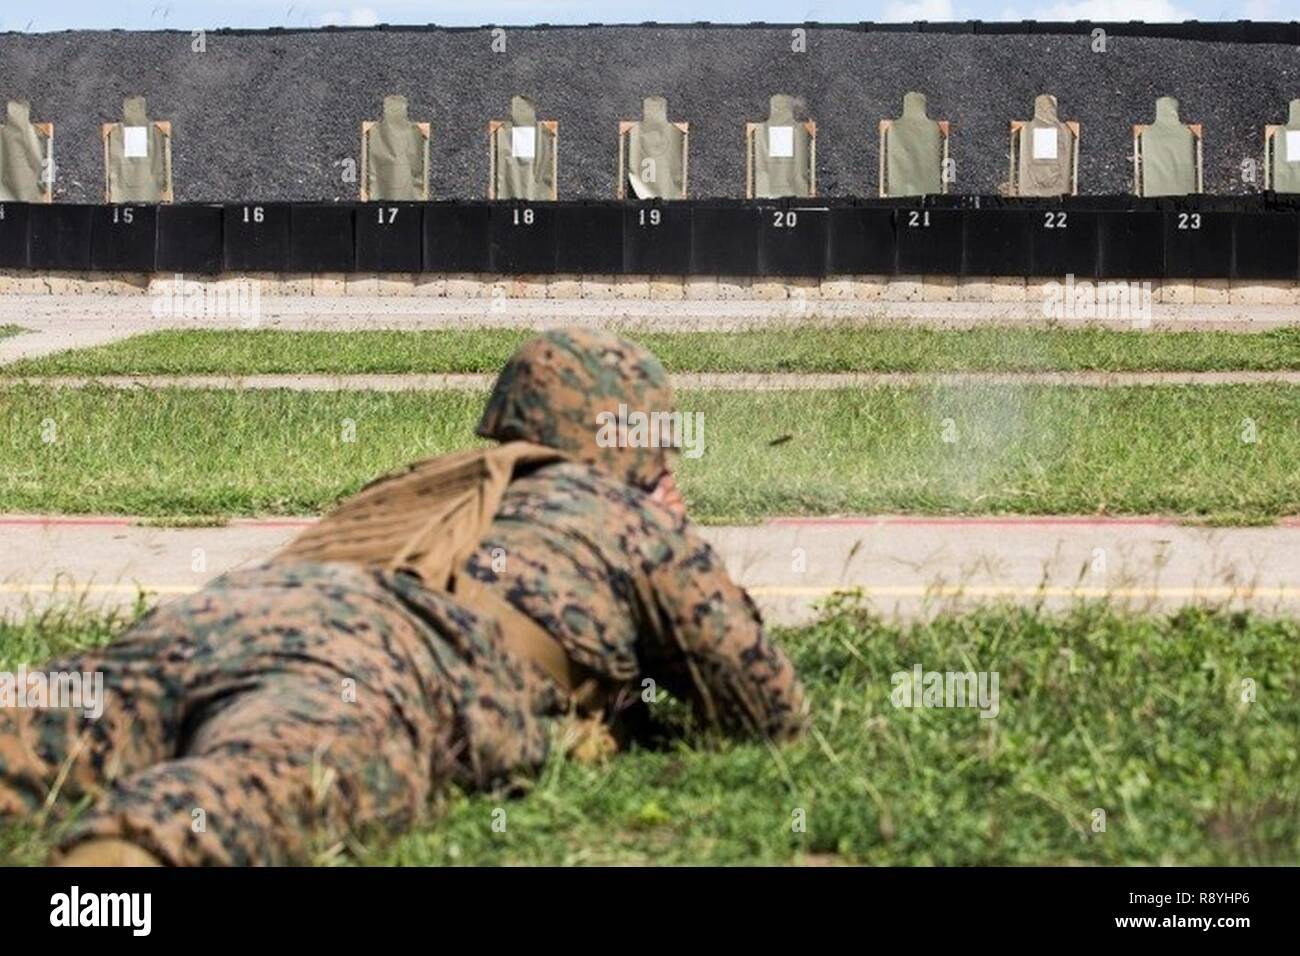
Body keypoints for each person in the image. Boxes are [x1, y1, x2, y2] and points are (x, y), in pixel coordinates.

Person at [0, 328, 807, 866]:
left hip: (216, 617)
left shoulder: (426, 480)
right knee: (227, 802)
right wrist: (681, 539)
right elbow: (762, 710)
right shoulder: (626, 516)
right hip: (374, 658)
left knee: (31, 738)